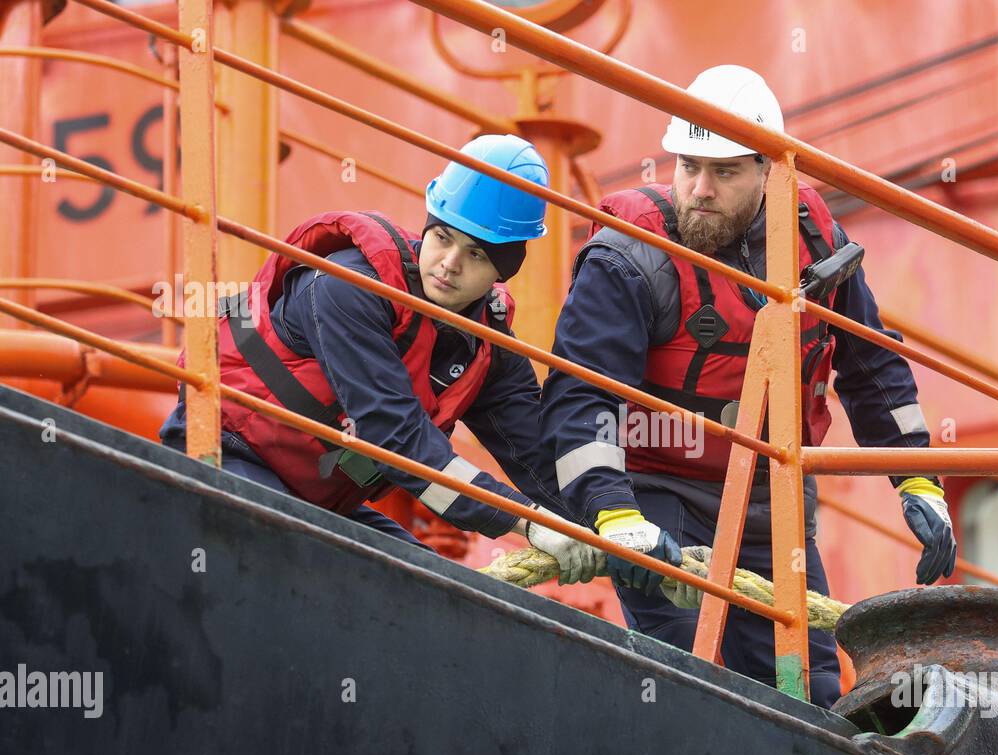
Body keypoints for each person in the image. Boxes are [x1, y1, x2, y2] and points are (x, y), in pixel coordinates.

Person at [539, 66, 957, 706]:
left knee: (808, 699)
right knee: (684, 685)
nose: (700, 189)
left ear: (770, 172)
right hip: (656, 494)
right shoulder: (630, 256)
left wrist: (918, 479)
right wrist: (612, 512)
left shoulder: (818, 245)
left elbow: (872, 368)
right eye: (688, 166)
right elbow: (580, 396)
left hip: (772, 495)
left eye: (725, 171)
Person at [161, 134, 601, 585]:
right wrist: (526, 522)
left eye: (476, 254)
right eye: (443, 237)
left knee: (429, 594)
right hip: (229, 455)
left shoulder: (487, 343)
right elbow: (394, 436)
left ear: (501, 273)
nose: (449, 263)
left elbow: (535, 451)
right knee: (281, 559)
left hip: (320, 497)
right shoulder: (345, 287)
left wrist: (615, 524)